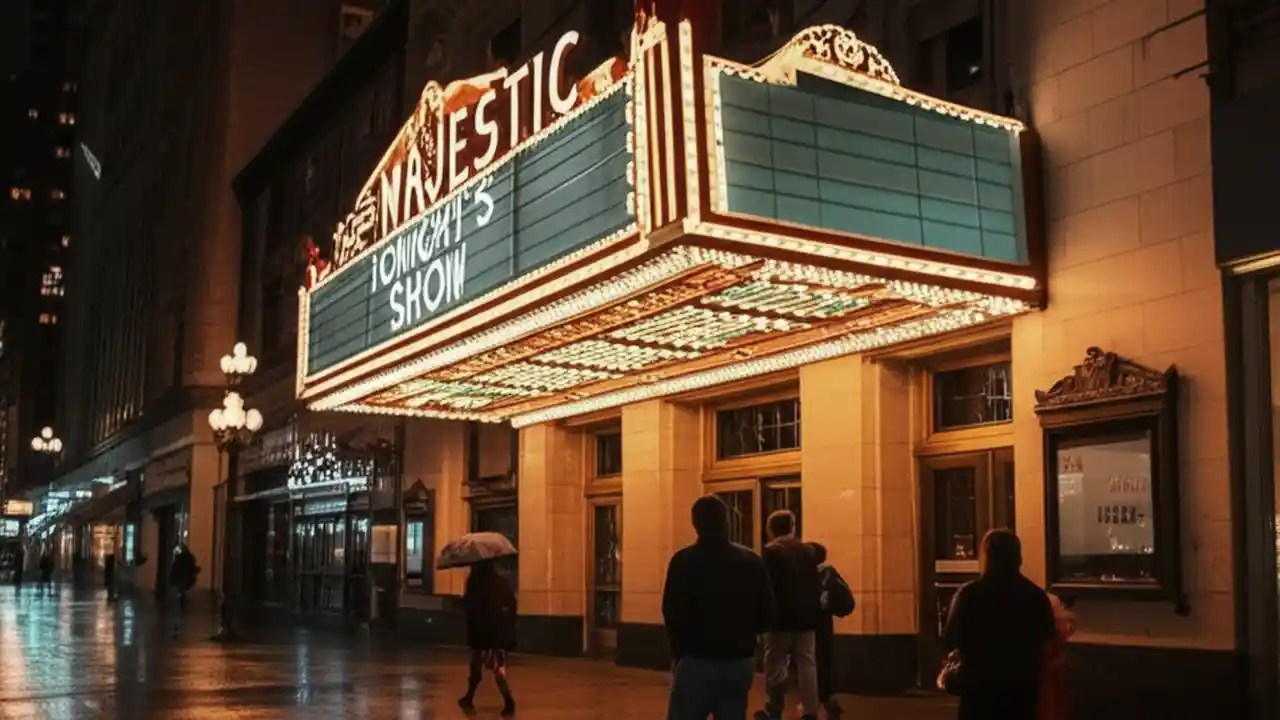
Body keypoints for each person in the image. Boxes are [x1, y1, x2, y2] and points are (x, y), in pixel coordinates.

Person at [664, 495, 776, 720]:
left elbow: (672, 611)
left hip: (696, 658)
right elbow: (768, 614)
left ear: (696, 524)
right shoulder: (751, 561)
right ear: (726, 520)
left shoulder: (684, 561)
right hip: (739, 660)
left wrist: (680, 652)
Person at [941, 529, 1056, 720]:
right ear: (1018, 558)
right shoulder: (1035, 597)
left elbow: (950, 640)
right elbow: (1046, 639)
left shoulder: (969, 595)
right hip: (1022, 688)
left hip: (979, 689)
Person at [756, 510, 821, 720]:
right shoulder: (809, 551)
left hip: (779, 619)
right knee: (807, 664)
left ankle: (774, 707)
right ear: (793, 527)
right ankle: (811, 710)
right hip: (807, 618)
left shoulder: (770, 552)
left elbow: (767, 587)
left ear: (771, 529)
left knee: (775, 662)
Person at [458, 559, 517, 716]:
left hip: (484, 634)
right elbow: (511, 604)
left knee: (485, 667)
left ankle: (508, 700)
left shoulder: (476, 583)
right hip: (500, 633)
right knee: (490, 667)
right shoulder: (501, 582)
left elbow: (471, 606)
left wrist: (460, 602)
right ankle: (470, 696)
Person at [809, 542, 855, 718]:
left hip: (807, 624)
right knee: (825, 660)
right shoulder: (829, 572)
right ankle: (828, 699)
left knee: (809, 662)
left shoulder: (805, 574)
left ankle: (814, 703)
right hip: (824, 623)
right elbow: (847, 602)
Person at [169, 544, 198, 638]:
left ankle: (181, 601)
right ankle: (182, 600)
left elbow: (175, 568)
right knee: (182, 590)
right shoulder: (189, 557)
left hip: (181, 578)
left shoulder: (179, 558)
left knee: (180, 590)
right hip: (185, 577)